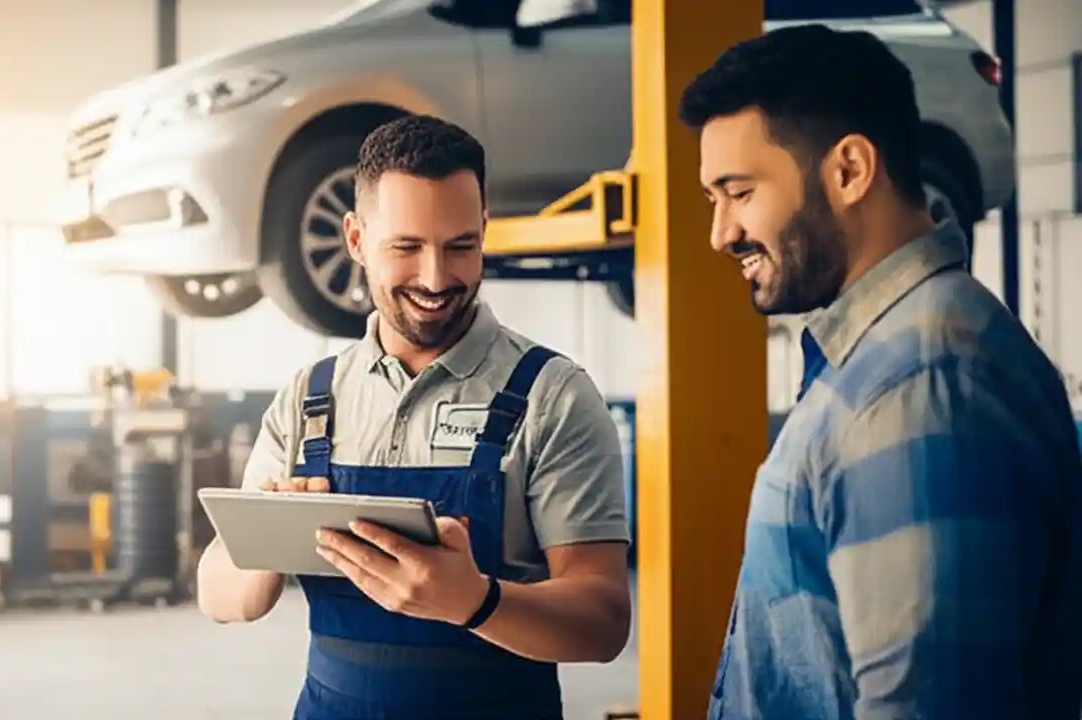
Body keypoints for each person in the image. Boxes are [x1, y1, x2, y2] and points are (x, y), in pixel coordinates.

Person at [678, 24, 1082, 720]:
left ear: (850, 171)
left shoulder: (918, 385)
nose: (720, 232)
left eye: (738, 192)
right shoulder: (878, 358)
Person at [196, 114, 632, 719]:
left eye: (461, 246)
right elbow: (218, 593)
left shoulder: (551, 397)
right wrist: (265, 549)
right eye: (406, 247)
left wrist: (475, 602)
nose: (435, 277)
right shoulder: (308, 399)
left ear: (484, 231)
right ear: (355, 238)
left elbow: (604, 622)